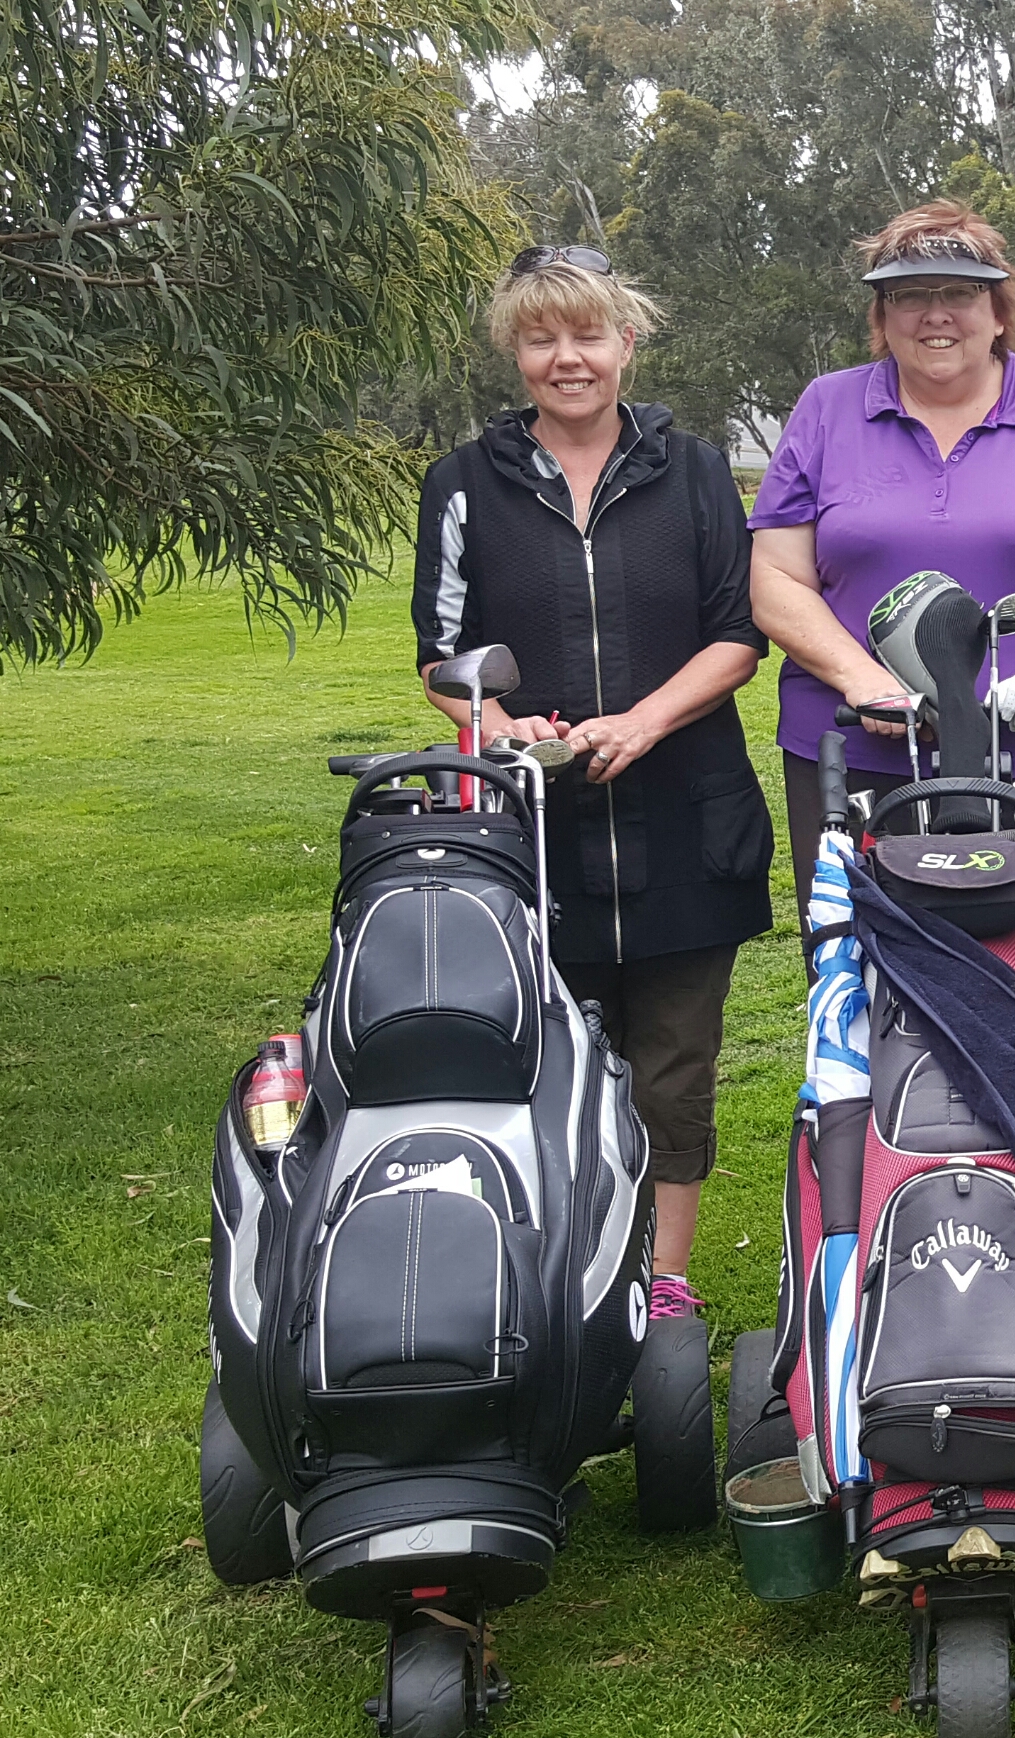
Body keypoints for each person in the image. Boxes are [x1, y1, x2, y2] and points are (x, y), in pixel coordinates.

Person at [410, 245, 774, 1323]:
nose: (566, 358)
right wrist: (501, 720)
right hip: (532, 830)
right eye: (540, 338)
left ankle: (662, 1279)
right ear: (515, 352)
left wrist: (646, 720)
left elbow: (738, 633)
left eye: (587, 335)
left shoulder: (696, 472)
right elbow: (441, 654)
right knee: (552, 1060)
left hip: (688, 816)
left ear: (627, 341)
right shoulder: (464, 484)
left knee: (672, 1067)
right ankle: (571, 1264)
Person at [748, 201, 1015, 1018]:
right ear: (881, 315)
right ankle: (891, 1150)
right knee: (881, 999)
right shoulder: (828, 409)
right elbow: (776, 579)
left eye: (960, 293)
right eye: (909, 295)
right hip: (868, 764)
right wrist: (864, 682)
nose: (935, 314)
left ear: (998, 310)